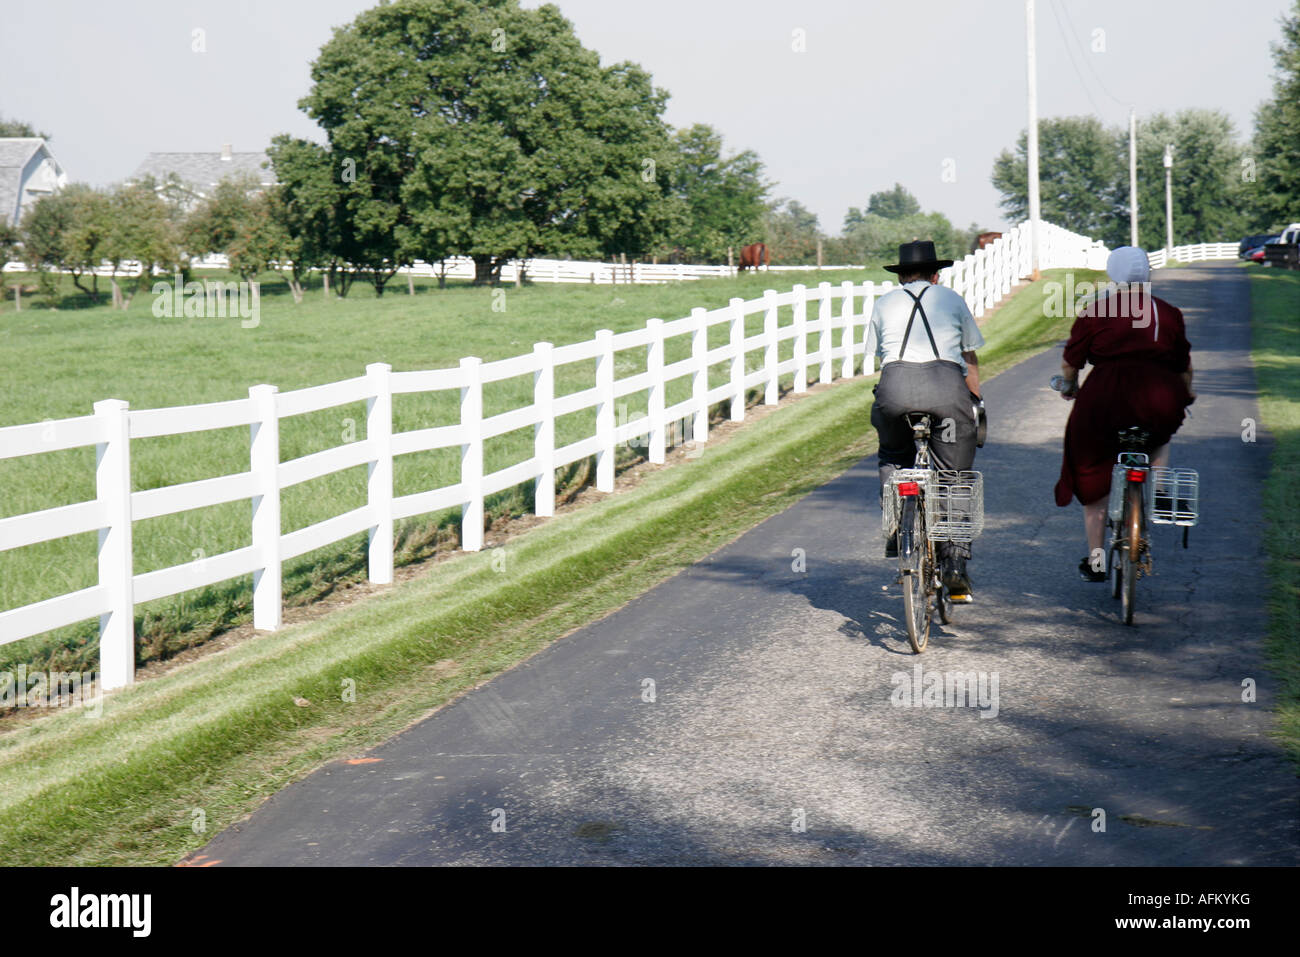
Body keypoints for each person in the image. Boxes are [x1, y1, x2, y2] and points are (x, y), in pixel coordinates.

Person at [1053, 246, 1196, 581]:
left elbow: (1070, 364)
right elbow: (1184, 366)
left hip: (1104, 397)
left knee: (1089, 462)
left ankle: (1096, 557)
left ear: (1113, 275)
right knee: (1160, 436)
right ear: (1147, 274)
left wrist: (1069, 386)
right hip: (1159, 395)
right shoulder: (1168, 313)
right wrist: (1185, 396)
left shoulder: (1095, 311)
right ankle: (1159, 491)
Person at [866, 240, 985, 598]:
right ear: (936, 275)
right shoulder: (950, 299)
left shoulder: (884, 303)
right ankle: (954, 562)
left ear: (901, 275)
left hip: (895, 389)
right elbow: (970, 356)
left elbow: (878, 357)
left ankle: (895, 526)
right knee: (953, 474)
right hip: (946, 389)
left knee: (893, 455)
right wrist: (975, 401)